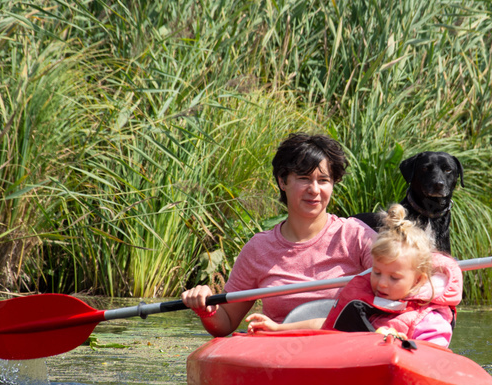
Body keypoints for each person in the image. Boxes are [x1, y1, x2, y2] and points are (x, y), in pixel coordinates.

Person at [181, 133, 376, 337]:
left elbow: (401, 282)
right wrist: (207, 309)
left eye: (324, 180)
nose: (314, 190)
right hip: (279, 352)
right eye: (304, 179)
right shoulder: (259, 248)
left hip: (344, 347)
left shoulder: (357, 235)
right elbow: (227, 322)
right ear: (282, 181)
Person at [245, 204, 463, 347]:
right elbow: (328, 324)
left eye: (394, 278)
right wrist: (277, 327)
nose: (381, 283)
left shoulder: (431, 320)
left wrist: (399, 344)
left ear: (418, 280)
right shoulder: (367, 304)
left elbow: (434, 358)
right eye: (377, 273)